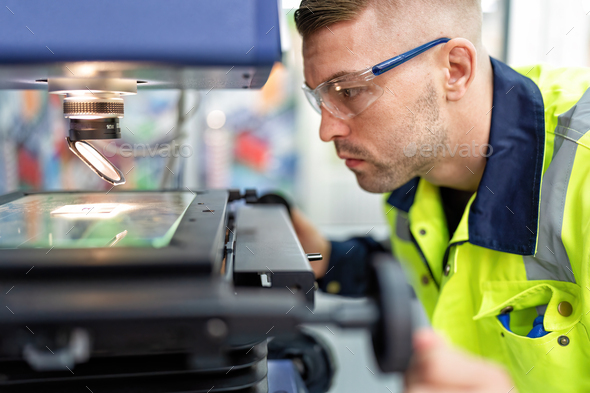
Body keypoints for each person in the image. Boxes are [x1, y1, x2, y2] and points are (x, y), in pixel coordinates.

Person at [292, 1, 590, 392]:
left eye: (349, 91)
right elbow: (449, 264)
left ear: (454, 70)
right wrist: (329, 259)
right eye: (320, 97)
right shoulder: (411, 171)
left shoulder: (580, 170)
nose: (327, 129)